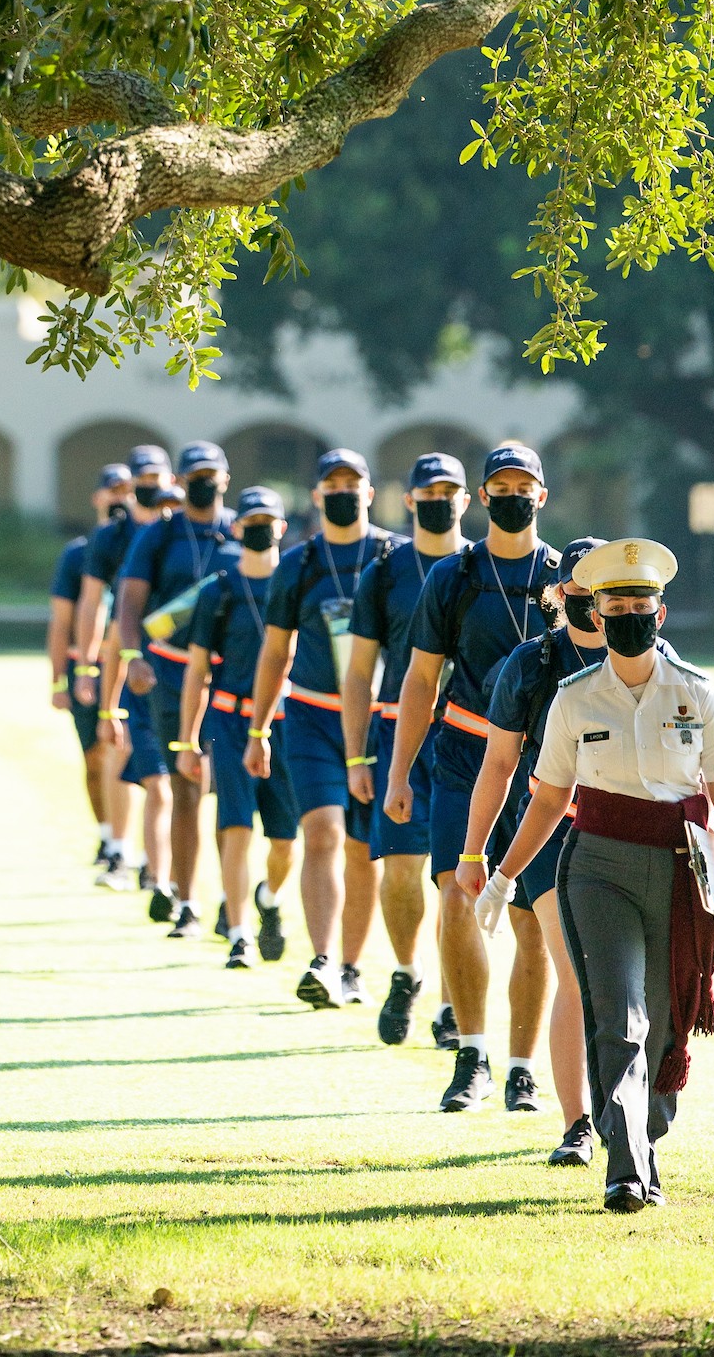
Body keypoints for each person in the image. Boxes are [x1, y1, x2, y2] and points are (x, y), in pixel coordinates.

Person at [477, 537, 714, 1213]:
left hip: (681, 867)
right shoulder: (574, 697)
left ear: (660, 615)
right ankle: (625, 1167)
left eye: (641, 605)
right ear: (596, 617)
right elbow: (548, 799)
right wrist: (503, 875)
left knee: (663, 1023)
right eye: (616, 606)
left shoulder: (697, 693)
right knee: (619, 1015)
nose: (629, 615)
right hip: (596, 864)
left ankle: (646, 1135)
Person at [384, 440, 559, 1111]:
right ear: (481, 497)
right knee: (458, 895)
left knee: (532, 918)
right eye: (501, 486)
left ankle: (521, 1068)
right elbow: (421, 678)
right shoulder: (453, 577)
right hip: (461, 754)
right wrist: (400, 770)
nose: (513, 496)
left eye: (525, 486)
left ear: (541, 495)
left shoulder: (562, 579)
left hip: (542, 766)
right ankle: (472, 1056)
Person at [453, 536, 607, 1160]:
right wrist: (475, 855)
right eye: (577, 591)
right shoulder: (531, 663)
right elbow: (497, 765)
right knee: (576, 970)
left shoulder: (652, 657)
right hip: (546, 832)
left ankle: (628, 1113)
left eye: (602, 593)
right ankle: (578, 1123)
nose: (590, 604)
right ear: (558, 593)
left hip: (626, 829)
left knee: (627, 979)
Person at [247, 448, 391, 1010]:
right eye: (332, 483)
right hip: (309, 717)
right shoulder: (300, 564)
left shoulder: (391, 556)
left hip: (380, 720)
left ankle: (353, 967)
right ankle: (324, 960)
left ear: (370, 492)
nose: (342, 491)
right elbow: (275, 650)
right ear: (316, 494)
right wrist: (259, 729)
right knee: (323, 832)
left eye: (353, 482)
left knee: (361, 849)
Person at [345, 452, 469, 1049]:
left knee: (454, 879)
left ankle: (452, 1004)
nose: (440, 500)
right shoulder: (387, 572)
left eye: (451, 491)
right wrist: (355, 756)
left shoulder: (480, 569)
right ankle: (406, 971)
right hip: (396, 731)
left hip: (466, 738)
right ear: (410, 500)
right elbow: (360, 670)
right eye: (429, 490)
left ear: (467, 501)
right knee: (400, 870)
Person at [102, 440, 238, 940]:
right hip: (172, 676)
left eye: (212, 472)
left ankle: (234, 901)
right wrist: (133, 658)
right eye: (194, 473)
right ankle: (187, 901)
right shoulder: (160, 536)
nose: (204, 481)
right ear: (178, 482)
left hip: (228, 680)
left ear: (226, 479)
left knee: (232, 794)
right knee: (185, 786)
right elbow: (130, 603)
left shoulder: (242, 532)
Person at [176, 486, 297, 968]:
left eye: (270, 520)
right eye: (252, 521)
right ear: (237, 527)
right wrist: (186, 739)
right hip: (228, 719)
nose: (261, 528)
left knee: (286, 840)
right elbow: (197, 671)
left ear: (282, 528)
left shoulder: (295, 584)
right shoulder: (219, 591)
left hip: (289, 722)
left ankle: (267, 897)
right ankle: (239, 931)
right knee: (235, 824)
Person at [75, 445, 179, 902]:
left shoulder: (180, 531)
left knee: (169, 776)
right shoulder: (113, 537)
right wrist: (85, 666)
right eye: (144, 477)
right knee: (119, 750)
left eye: (159, 475)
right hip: (126, 650)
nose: (151, 485)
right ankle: (118, 849)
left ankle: (165, 872)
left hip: (175, 657)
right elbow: (93, 604)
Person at [46, 462, 135, 883]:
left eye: (126, 489)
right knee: (95, 757)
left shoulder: (145, 542)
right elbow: (62, 620)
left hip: (133, 665)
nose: (119, 497)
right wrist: (60, 678)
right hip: (92, 666)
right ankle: (106, 835)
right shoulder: (79, 553)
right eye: (112, 490)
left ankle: (127, 842)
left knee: (132, 754)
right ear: (98, 498)